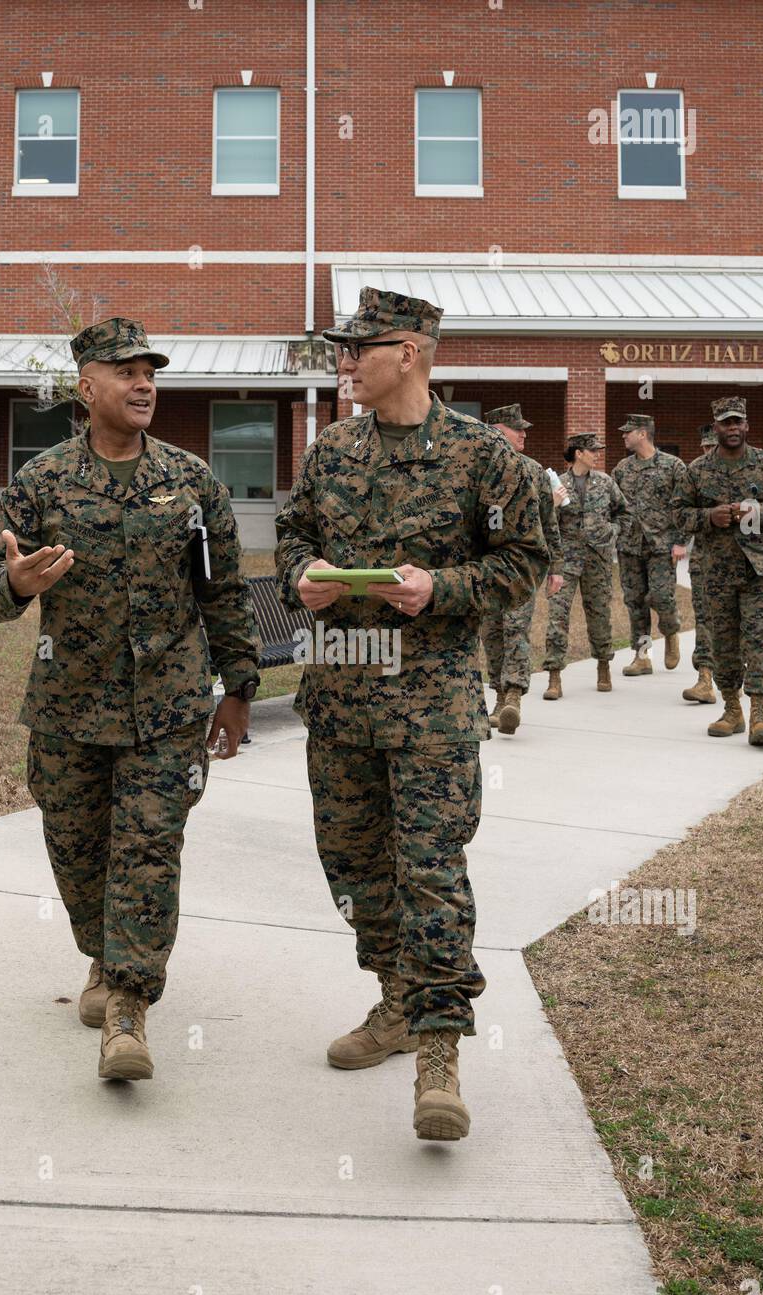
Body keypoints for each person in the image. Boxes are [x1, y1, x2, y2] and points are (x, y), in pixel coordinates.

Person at [274, 286, 548, 1142]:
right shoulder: (331, 451)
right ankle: (394, 1001)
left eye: (361, 348)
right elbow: (291, 535)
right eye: (343, 349)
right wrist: (303, 577)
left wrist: (441, 589)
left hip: (430, 710)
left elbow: (525, 562)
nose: (346, 363)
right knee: (354, 870)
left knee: (429, 873)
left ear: (413, 353)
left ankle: (439, 1059)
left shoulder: (484, 458)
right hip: (339, 701)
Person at [0, 317, 260, 1081]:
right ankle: (102, 953)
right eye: (125, 372)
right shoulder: (42, 481)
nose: (143, 385)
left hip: (168, 708)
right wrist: (16, 583)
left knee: (148, 850)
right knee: (78, 852)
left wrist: (239, 691)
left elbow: (225, 592)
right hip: (69, 709)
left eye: (150, 372)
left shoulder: (192, 480)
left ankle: (129, 1008)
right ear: (86, 386)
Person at [671, 396, 763, 745]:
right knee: (724, 644)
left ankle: (760, 715)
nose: (732, 428)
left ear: (746, 425)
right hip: (716, 573)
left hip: (761, 571)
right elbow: (679, 513)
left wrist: (758, 512)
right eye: (725, 422)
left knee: (758, 640)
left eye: (737, 422)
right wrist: (708, 517)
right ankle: (731, 709)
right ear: (716, 427)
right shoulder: (697, 470)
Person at [480, 404, 565, 735]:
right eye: (518, 428)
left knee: (516, 629)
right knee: (492, 634)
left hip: (521, 564)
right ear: (499, 430)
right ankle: (500, 698)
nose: (524, 433)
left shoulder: (534, 472)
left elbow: (549, 523)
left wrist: (556, 567)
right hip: (485, 566)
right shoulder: (477, 469)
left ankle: (513, 694)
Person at [543, 433, 626, 699]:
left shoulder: (605, 482)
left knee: (599, 614)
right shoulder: (558, 484)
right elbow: (544, 521)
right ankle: (554, 676)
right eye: (592, 450)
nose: (596, 455)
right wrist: (553, 504)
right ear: (578, 453)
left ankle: (603, 666)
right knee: (557, 617)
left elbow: (624, 512)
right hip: (565, 560)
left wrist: (612, 531)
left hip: (597, 559)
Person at [612, 414, 688, 677]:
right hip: (629, 546)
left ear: (642, 434)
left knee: (661, 596)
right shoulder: (622, 468)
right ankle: (642, 656)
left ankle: (670, 632)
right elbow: (615, 507)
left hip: (661, 546)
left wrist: (680, 542)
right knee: (635, 602)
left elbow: (684, 507)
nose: (624, 436)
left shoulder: (673, 466)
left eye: (628, 432)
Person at [681, 423, 717, 705]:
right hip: (705, 561)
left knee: (736, 622)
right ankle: (705, 678)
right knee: (704, 620)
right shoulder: (694, 471)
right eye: (704, 446)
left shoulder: (751, 468)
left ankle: (733, 676)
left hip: (741, 563)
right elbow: (681, 512)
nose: (708, 451)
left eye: (712, 446)